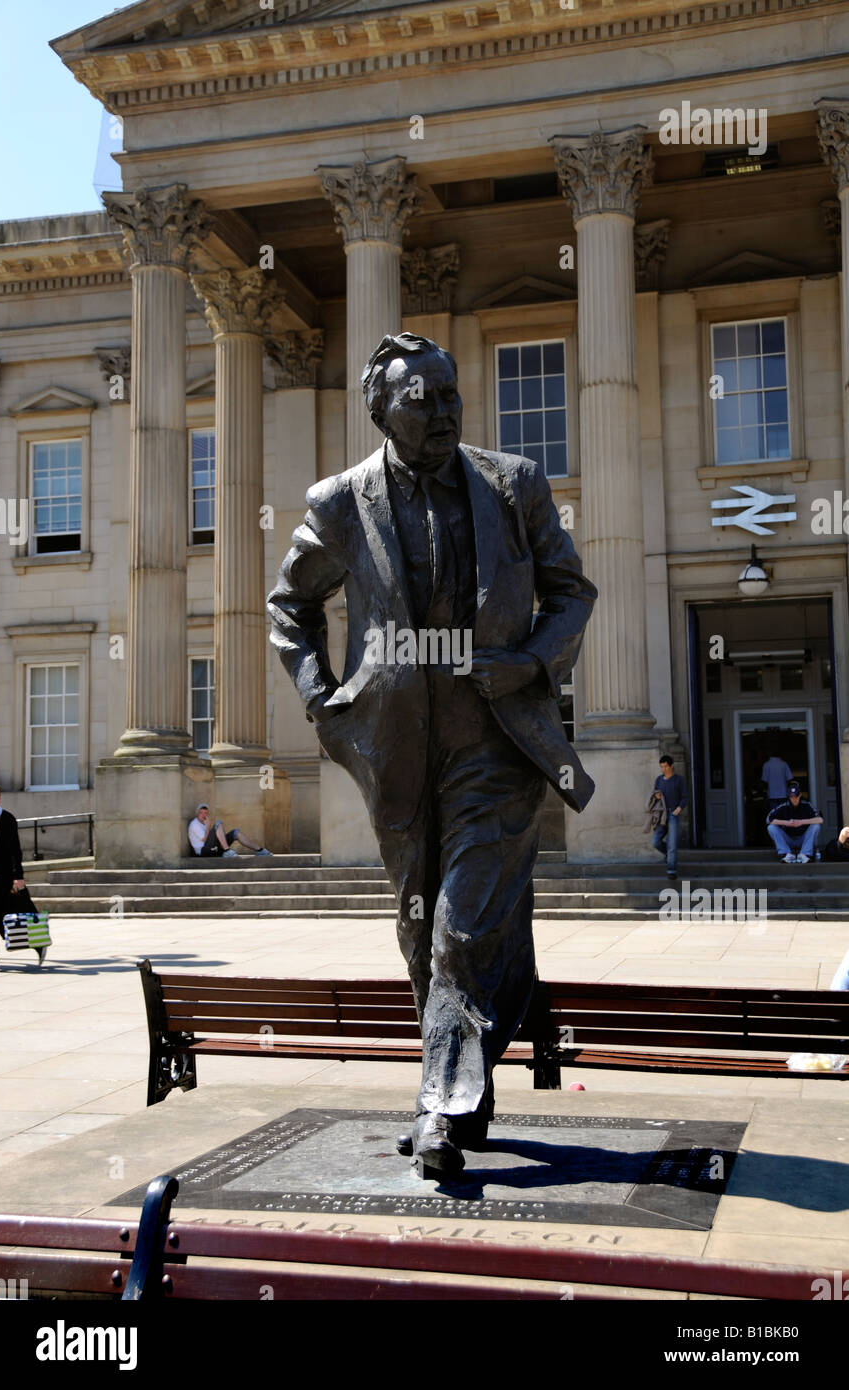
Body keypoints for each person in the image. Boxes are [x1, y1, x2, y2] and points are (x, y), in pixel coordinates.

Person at [269, 331, 596, 1177]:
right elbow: (289, 607)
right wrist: (321, 695)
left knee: (456, 930)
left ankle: (441, 1112)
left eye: (451, 395)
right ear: (381, 409)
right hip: (398, 751)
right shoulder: (341, 503)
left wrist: (527, 660)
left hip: (497, 745)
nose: (445, 410)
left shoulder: (512, 484)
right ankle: (470, 1080)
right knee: (422, 934)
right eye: (425, 399)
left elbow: (570, 592)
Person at [0, 783, 41, 969]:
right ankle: (33, 942)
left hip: (0, 876)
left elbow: (14, 850)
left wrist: (18, 875)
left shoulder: (7, 819)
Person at [187, 804, 273, 859]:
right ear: (197, 813)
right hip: (203, 852)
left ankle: (260, 850)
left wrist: (208, 827)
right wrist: (209, 826)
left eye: (206, 813)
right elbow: (205, 840)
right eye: (201, 813)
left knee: (235, 832)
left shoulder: (204, 823)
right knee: (218, 824)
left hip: (214, 849)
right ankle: (227, 850)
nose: (204, 815)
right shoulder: (194, 824)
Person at [766, 780, 823, 863]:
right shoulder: (784, 806)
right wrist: (787, 823)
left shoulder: (806, 805)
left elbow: (820, 819)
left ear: (800, 795)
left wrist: (801, 822)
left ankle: (805, 854)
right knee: (771, 828)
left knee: (816, 826)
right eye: (792, 797)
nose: (794, 799)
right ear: (789, 797)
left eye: (796, 796)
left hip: (803, 839)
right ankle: (786, 854)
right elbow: (769, 819)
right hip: (788, 839)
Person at [651, 755, 687, 880]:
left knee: (672, 844)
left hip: (673, 814)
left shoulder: (679, 780)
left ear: (671, 765)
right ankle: (668, 855)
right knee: (655, 841)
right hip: (662, 815)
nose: (663, 769)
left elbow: (685, 797)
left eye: (665, 766)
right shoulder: (659, 780)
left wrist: (678, 809)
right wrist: (656, 797)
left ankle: (671, 870)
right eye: (661, 766)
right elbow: (654, 795)